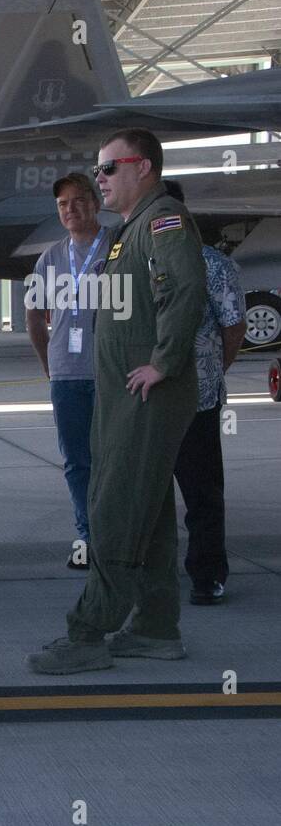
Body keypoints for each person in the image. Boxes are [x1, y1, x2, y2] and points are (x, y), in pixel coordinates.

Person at [28, 128, 206, 674]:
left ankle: (88, 632)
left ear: (143, 168)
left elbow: (183, 288)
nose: (99, 178)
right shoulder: (134, 228)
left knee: (114, 508)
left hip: (146, 393)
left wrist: (165, 361)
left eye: (107, 169)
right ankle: (155, 628)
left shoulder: (162, 220)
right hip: (123, 393)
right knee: (146, 513)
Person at [25, 172, 117, 569]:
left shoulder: (117, 245)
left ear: (96, 203)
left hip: (112, 373)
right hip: (68, 374)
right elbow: (33, 314)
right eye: (63, 204)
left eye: (79, 200)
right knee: (77, 461)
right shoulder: (52, 257)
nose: (71, 209)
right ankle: (88, 538)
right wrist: (50, 363)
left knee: (115, 459)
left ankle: (119, 537)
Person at [165, 181, 247, 605]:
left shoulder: (214, 266)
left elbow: (234, 327)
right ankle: (145, 578)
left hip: (197, 401)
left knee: (202, 495)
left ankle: (207, 575)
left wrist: (212, 370)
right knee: (142, 496)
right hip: (142, 402)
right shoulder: (126, 265)